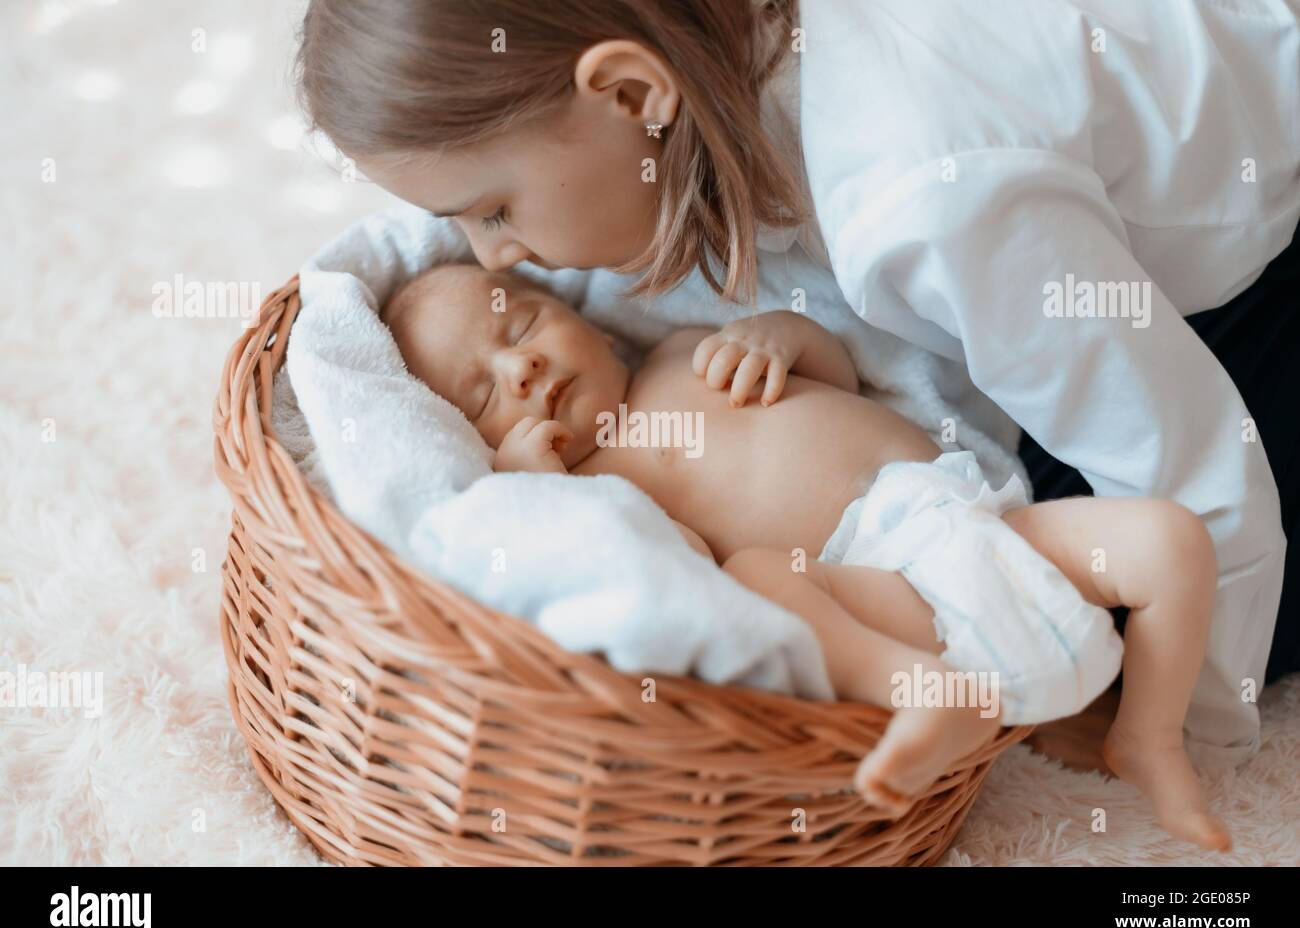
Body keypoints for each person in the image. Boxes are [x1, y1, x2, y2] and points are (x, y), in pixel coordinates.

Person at [296, 0, 1300, 769]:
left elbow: (1190, 456)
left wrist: (1186, 723)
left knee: (1123, 603)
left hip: (1264, 231)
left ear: (637, 95)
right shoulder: (724, 78)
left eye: (494, 210)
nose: (495, 260)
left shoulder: (931, 199)